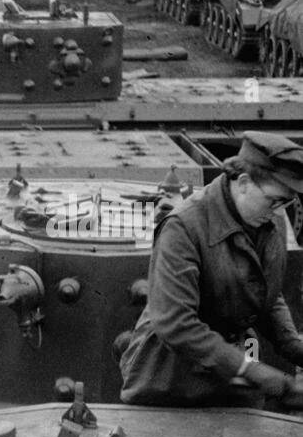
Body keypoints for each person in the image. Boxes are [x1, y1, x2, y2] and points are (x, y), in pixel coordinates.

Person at [120, 131, 303, 407]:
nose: (279, 210)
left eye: (285, 203)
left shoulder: (268, 219)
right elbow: (176, 323)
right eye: (274, 200)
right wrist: (249, 370)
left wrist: (293, 345)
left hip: (233, 371)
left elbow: (265, 290)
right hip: (171, 380)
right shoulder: (184, 227)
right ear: (243, 183)